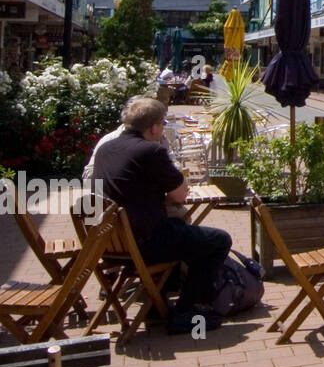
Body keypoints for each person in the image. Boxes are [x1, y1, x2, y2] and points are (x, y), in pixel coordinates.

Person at [92, 96, 232, 334]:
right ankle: (187, 311)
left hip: (111, 244)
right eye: (163, 124)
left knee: (179, 228)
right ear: (153, 127)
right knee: (218, 240)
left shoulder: (106, 149)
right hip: (145, 244)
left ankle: (158, 306)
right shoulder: (150, 151)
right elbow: (180, 195)